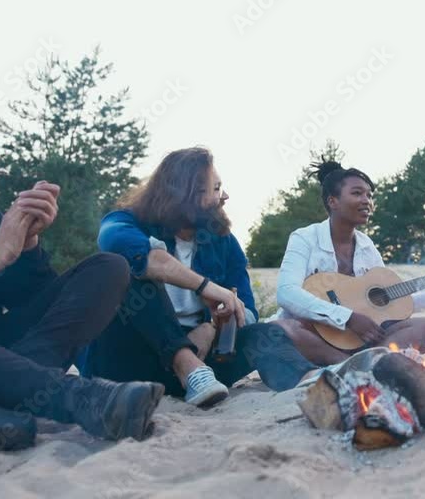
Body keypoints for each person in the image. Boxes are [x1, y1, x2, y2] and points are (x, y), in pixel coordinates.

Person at [0, 107, 163, 449]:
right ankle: (71, 396)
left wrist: (29, 245)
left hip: (1, 363)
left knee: (108, 268)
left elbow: (40, 306)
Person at [81, 147, 315, 406]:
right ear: (187, 193)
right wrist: (206, 287)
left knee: (265, 333)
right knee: (126, 270)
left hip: (204, 368)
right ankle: (185, 364)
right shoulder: (125, 221)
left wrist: (212, 326)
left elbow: (247, 311)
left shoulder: (224, 242)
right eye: (215, 189)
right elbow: (137, 255)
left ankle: (312, 381)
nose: (224, 196)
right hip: (126, 363)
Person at [269, 161, 425, 366]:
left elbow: (392, 301)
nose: (366, 201)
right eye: (357, 193)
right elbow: (286, 293)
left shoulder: (367, 247)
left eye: (369, 195)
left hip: (358, 340)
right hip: (313, 337)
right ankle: (355, 364)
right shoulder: (304, 238)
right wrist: (348, 318)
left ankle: (361, 363)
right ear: (333, 201)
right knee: (282, 329)